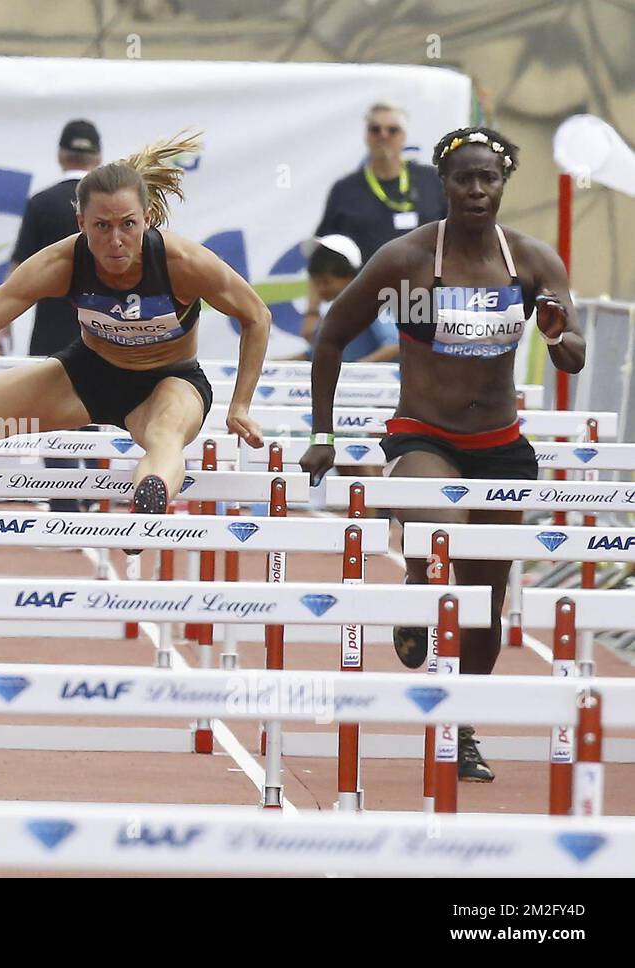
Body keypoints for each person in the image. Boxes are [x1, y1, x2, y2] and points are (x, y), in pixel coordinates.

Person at [300, 127, 586, 783]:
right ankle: (421, 582)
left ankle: (459, 725)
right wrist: (323, 435)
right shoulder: (405, 260)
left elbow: (574, 353)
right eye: (465, 178)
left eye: (488, 178)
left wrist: (555, 332)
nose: (477, 189)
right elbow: (332, 339)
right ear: (445, 183)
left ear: (503, 182)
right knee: (441, 529)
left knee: (486, 600)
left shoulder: (536, 261)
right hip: (423, 437)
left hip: (502, 449)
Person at [0, 132, 270, 547]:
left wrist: (240, 404)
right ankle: (74, 427)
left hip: (169, 383)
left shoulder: (183, 264)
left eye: (127, 225)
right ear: (81, 223)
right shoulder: (61, 262)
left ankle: (144, 514)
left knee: (164, 435)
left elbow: (256, 316)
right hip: (86, 378)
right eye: (101, 227)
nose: (115, 241)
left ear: (148, 218)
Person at [0, 119, 104, 512]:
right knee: (97, 405)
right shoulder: (109, 206)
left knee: (52, 413)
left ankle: (63, 502)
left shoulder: (41, 203)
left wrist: (1, 324)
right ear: (99, 158)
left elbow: (19, 273)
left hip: (53, 328)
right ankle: (95, 490)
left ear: (61, 156)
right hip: (102, 326)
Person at [304, 103, 446, 337]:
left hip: (428, 302)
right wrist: (311, 312)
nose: (383, 136)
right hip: (367, 306)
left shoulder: (432, 181)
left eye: (392, 130)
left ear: (403, 137)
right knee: (354, 368)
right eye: (375, 129)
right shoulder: (346, 189)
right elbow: (320, 258)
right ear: (366, 136)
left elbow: (460, 242)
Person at [299, 234, 397, 363]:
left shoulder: (370, 304)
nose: (321, 289)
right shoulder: (333, 314)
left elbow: (394, 345)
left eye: (326, 282)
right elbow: (313, 356)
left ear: (350, 276)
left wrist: (353, 371)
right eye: (316, 283)